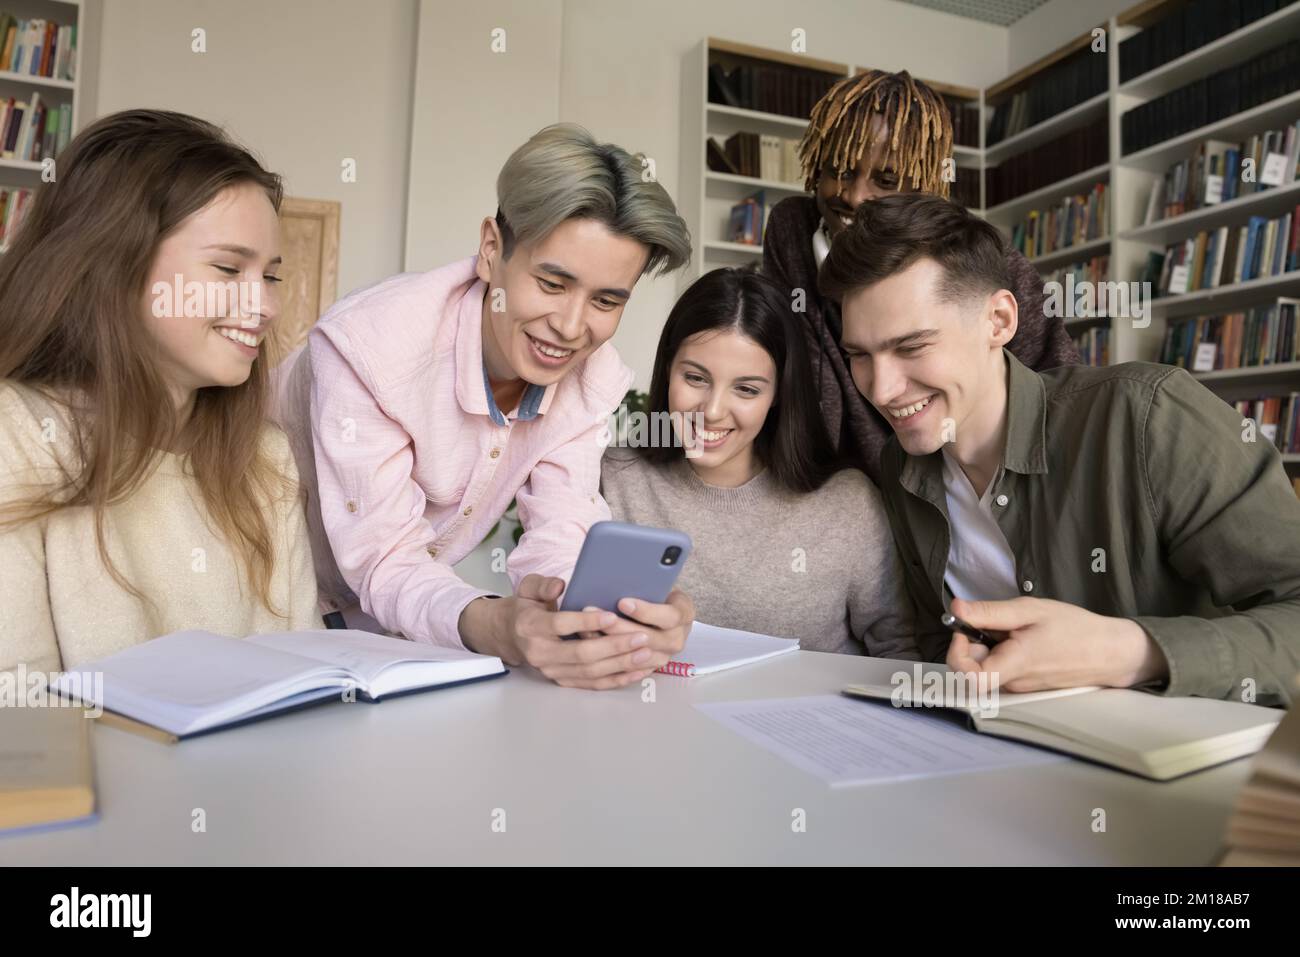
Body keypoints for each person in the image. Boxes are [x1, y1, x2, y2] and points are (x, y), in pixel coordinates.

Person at [821, 192, 1300, 705]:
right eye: (859, 355)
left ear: (999, 321)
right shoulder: (900, 464)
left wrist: (1127, 651)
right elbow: (939, 641)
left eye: (911, 346)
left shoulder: (1147, 416)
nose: (882, 389)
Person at [273, 124, 696, 690]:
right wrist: (496, 623)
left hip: (377, 629)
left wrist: (600, 614)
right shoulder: (369, 349)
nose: (571, 328)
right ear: (492, 251)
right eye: (551, 283)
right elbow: (383, 556)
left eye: (605, 300)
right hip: (266, 591)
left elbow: (561, 527)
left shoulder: (591, 381)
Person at [0, 109, 320, 674]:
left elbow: (308, 678)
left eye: (270, 276)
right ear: (113, 268)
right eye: (227, 269)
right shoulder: (17, 435)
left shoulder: (267, 457)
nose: (266, 306)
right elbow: (22, 727)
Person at [763, 68, 1079, 482]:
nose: (855, 195)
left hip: (951, 484)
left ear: (927, 182)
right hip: (841, 490)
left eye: (886, 179)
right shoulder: (793, 228)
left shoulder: (976, 254)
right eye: (838, 170)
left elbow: (1057, 388)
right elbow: (801, 379)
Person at [601, 267, 920, 659]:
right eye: (696, 378)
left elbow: (901, 651)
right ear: (668, 370)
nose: (713, 411)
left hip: (808, 720)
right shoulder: (613, 479)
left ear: (777, 395)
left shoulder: (846, 503)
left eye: (746, 389)